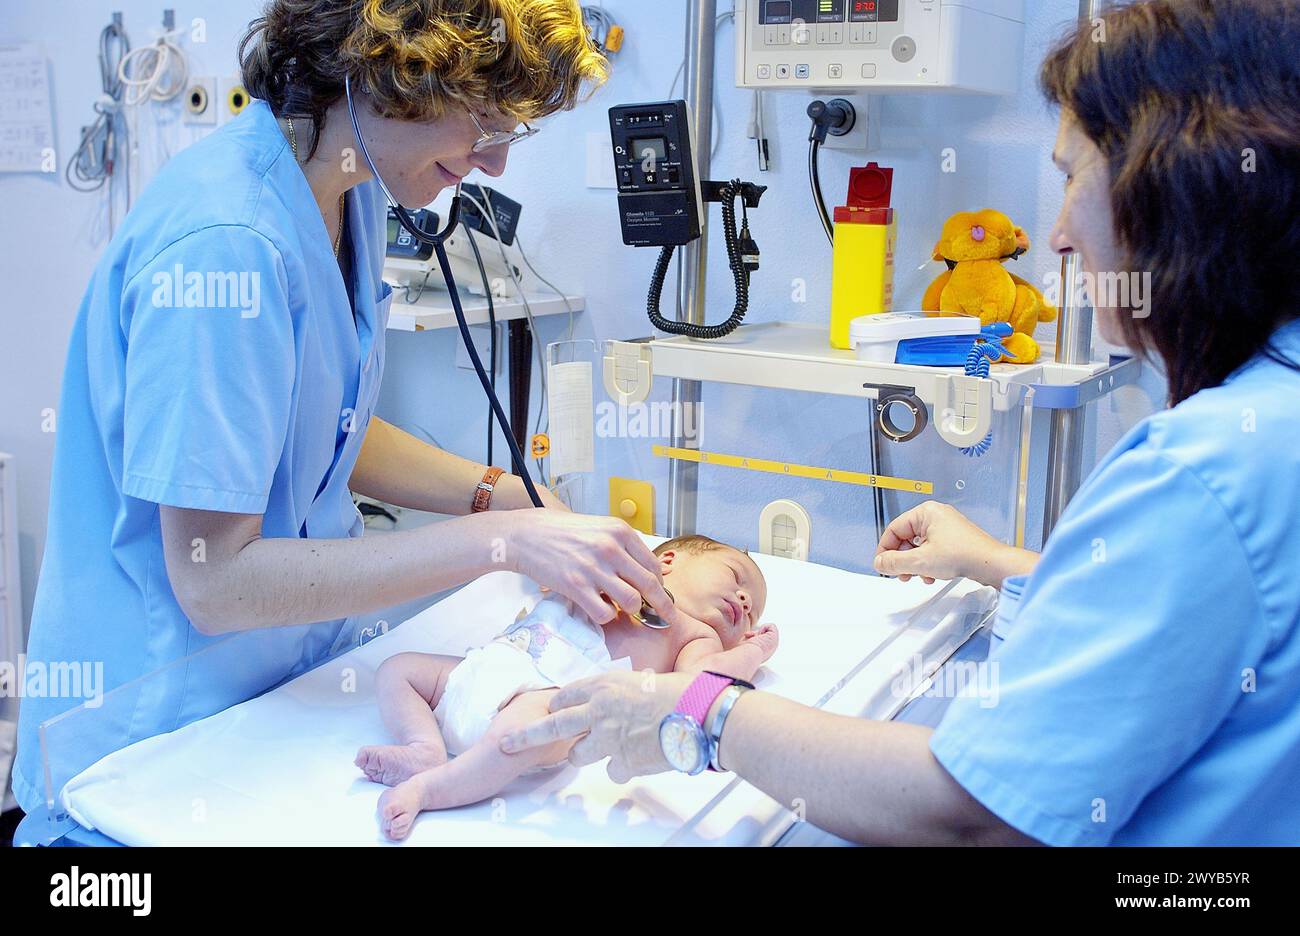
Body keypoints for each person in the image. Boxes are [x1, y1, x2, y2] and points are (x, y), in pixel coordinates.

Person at [498, 0, 1300, 846]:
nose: (1059, 236)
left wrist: (701, 713)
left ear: (1173, 181)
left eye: (1072, 177)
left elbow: (969, 816)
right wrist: (998, 564)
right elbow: (1176, 611)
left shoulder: (1204, 473)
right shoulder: (1263, 426)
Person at [11, 0, 682, 818]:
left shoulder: (349, 190)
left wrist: (498, 494)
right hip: (149, 737)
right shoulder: (230, 244)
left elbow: (319, 427)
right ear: (388, 71)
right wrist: (503, 544)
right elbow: (214, 581)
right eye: (483, 121)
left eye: (513, 131)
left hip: (273, 696)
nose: (497, 163)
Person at [356, 535, 772, 840]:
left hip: (552, 700)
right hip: (487, 665)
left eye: (752, 611)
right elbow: (551, 567)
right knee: (397, 670)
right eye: (737, 577)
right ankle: (423, 747)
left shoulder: (696, 635)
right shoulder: (610, 571)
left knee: (518, 735)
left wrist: (754, 653)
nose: (745, 600)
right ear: (666, 559)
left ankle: (430, 788)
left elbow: (702, 684)